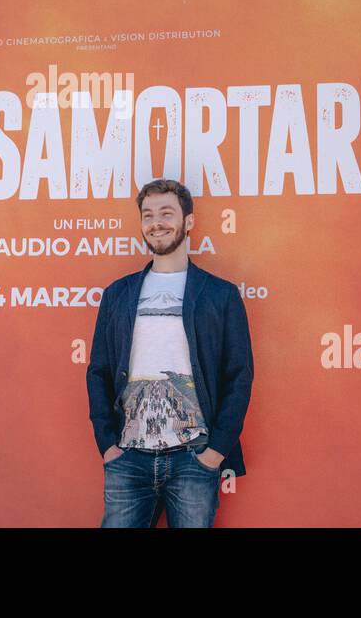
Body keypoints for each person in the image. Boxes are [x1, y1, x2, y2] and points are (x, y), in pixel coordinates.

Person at [86, 178, 255, 527]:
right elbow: (98, 371)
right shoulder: (118, 294)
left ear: (188, 222)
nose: (156, 222)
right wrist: (107, 446)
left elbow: (239, 375)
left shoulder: (219, 295)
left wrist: (216, 452)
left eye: (166, 212)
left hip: (195, 457)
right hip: (128, 456)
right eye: (148, 215)